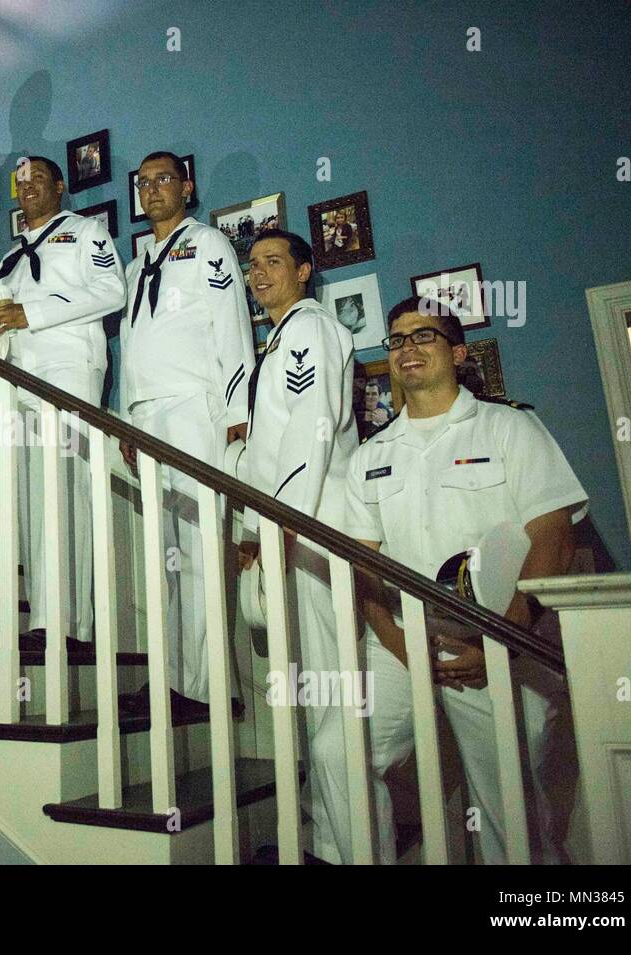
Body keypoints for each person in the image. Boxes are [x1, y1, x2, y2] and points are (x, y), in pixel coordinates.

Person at [345, 295, 586, 864]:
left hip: (501, 636)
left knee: (508, 803)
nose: (407, 348)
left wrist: (504, 637)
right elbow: (361, 563)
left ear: (457, 351)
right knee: (340, 751)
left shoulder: (510, 428)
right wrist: (398, 641)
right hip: (402, 639)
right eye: (397, 339)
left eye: (423, 336)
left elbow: (554, 534)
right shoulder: (369, 455)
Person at [236, 228, 359, 864]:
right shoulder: (281, 339)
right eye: (252, 264)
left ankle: (348, 851)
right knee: (319, 693)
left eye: (274, 262)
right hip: (292, 526)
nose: (259, 274)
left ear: (305, 271)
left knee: (336, 699)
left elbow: (312, 432)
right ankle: (330, 842)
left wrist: (283, 522)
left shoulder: (311, 330)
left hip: (314, 529)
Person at [116, 151, 253, 716]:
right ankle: (174, 677)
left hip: (195, 410)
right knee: (164, 556)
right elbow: (131, 347)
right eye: (143, 183)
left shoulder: (211, 245)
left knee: (197, 551)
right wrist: (126, 415)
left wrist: (237, 413)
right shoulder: (136, 261)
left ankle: (206, 688)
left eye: (163, 179)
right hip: (146, 415)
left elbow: (232, 326)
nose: (151, 190)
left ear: (187, 187)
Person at [0, 156, 126, 649]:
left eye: (39, 179)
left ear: (61, 187)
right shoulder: (12, 255)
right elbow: (3, 326)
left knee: (65, 489)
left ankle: (72, 625)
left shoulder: (86, 232)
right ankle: (43, 617)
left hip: (70, 367)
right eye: (21, 181)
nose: (28, 187)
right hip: (21, 376)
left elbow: (113, 291)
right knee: (30, 494)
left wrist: (36, 313)